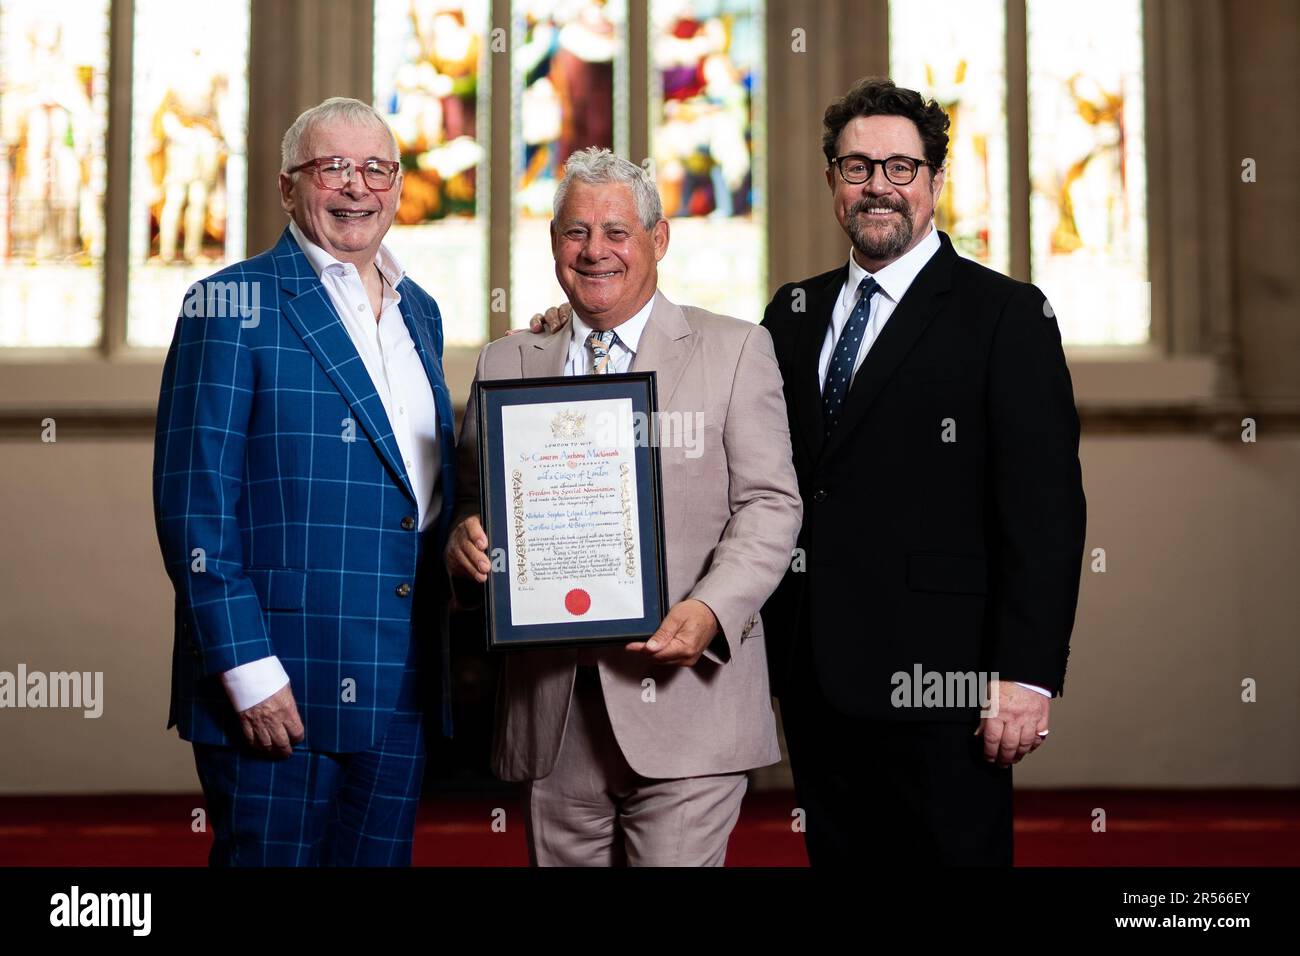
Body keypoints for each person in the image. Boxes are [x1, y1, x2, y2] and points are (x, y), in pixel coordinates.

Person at [759, 77, 1087, 865]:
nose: (879, 186)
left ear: (936, 182)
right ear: (834, 181)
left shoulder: (1005, 315)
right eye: (857, 166)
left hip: (947, 685)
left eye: (901, 168)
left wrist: (1027, 676)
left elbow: (1044, 511)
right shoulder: (793, 313)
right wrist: (580, 328)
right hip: (816, 678)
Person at [448, 147, 801, 866]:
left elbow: (770, 504)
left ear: (658, 239)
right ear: (554, 244)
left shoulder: (735, 349)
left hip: (688, 697)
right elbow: (471, 500)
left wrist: (710, 610)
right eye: (576, 232)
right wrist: (463, 538)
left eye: (617, 232)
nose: (595, 251)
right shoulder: (507, 360)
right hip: (552, 711)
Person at [153, 97, 458, 866]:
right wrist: (246, 671)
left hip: (401, 683)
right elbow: (195, 507)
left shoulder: (420, 311)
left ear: (397, 184)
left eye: (376, 168)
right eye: (333, 168)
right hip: (282, 680)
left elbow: (417, 488)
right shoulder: (231, 304)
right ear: (289, 187)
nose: (357, 187)